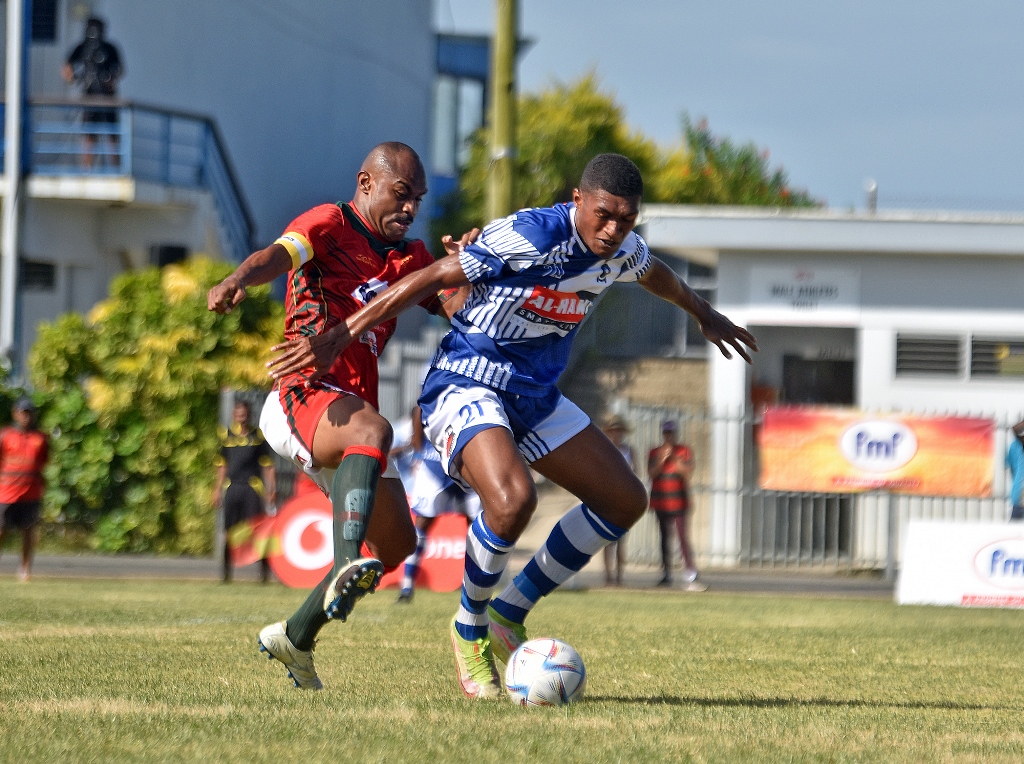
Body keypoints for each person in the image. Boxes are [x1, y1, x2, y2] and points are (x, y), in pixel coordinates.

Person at [266, 152, 757, 699]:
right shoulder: (529, 234)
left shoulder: (623, 251)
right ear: (578, 200)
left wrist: (703, 313)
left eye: (627, 219)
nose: (615, 229)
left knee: (624, 500)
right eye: (604, 214)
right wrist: (344, 333)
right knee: (511, 500)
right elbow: (434, 275)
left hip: (534, 393)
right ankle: (469, 627)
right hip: (466, 381)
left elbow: (656, 274)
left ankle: (509, 612)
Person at [207, 142, 474, 690]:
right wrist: (239, 278)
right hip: (301, 396)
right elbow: (277, 256)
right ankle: (345, 559)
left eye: (417, 201)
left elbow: (461, 316)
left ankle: (295, 638)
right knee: (376, 431)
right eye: (401, 195)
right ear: (366, 182)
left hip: (350, 426)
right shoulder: (330, 222)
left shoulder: (413, 257)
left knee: (396, 549)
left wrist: (463, 269)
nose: (409, 209)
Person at [396, 405, 482, 603]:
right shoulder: (439, 383)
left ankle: (472, 588)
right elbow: (419, 408)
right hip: (435, 464)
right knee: (423, 523)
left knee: (475, 528)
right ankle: (407, 587)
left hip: (467, 464)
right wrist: (419, 451)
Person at [212, 400, 277, 583]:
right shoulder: (226, 436)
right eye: (238, 413)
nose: (241, 417)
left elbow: (268, 465)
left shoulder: (257, 437)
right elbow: (221, 464)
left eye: (244, 414)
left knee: (258, 530)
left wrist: (272, 488)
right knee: (229, 531)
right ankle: (226, 575)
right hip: (232, 487)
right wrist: (217, 488)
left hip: (252, 487)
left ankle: (263, 576)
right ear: (234, 415)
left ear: (249, 415)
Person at [62, 17, 124, 168]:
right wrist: (76, 78)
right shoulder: (82, 47)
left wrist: (110, 80)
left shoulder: (109, 49)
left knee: (112, 134)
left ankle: (117, 169)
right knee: (89, 135)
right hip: (89, 95)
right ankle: (87, 169)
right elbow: (66, 67)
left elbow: (120, 69)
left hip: (108, 97)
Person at [648, 419, 703, 590]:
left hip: (679, 502)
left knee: (682, 537)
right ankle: (666, 572)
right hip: (661, 501)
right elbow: (651, 473)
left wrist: (674, 459)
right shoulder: (654, 452)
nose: (669, 436)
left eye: (671, 433)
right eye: (666, 433)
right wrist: (662, 460)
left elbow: (687, 473)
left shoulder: (684, 451)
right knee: (664, 538)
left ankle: (690, 571)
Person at [0, 398, 49, 582]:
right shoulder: (5, 436)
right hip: (6, 492)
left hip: (30, 493)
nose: (26, 417)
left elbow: (43, 462)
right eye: (23, 413)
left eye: (29, 413)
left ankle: (25, 568)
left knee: (28, 532)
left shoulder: (40, 438)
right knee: (1, 530)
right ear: (16, 413)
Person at [601, 414, 634, 586]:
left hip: (623, 499)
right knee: (606, 541)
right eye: (613, 431)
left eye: (618, 431)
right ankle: (608, 576)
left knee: (620, 541)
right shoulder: (604, 450)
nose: (616, 434)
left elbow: (636, 474)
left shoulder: (629, 451)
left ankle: (619, 576)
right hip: (607, 499)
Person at [1007, 420, 1024, 520]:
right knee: (1014, 530)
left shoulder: (1014, 445)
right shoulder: (1015, 446)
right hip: (1019, 496)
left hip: (1018, 494)